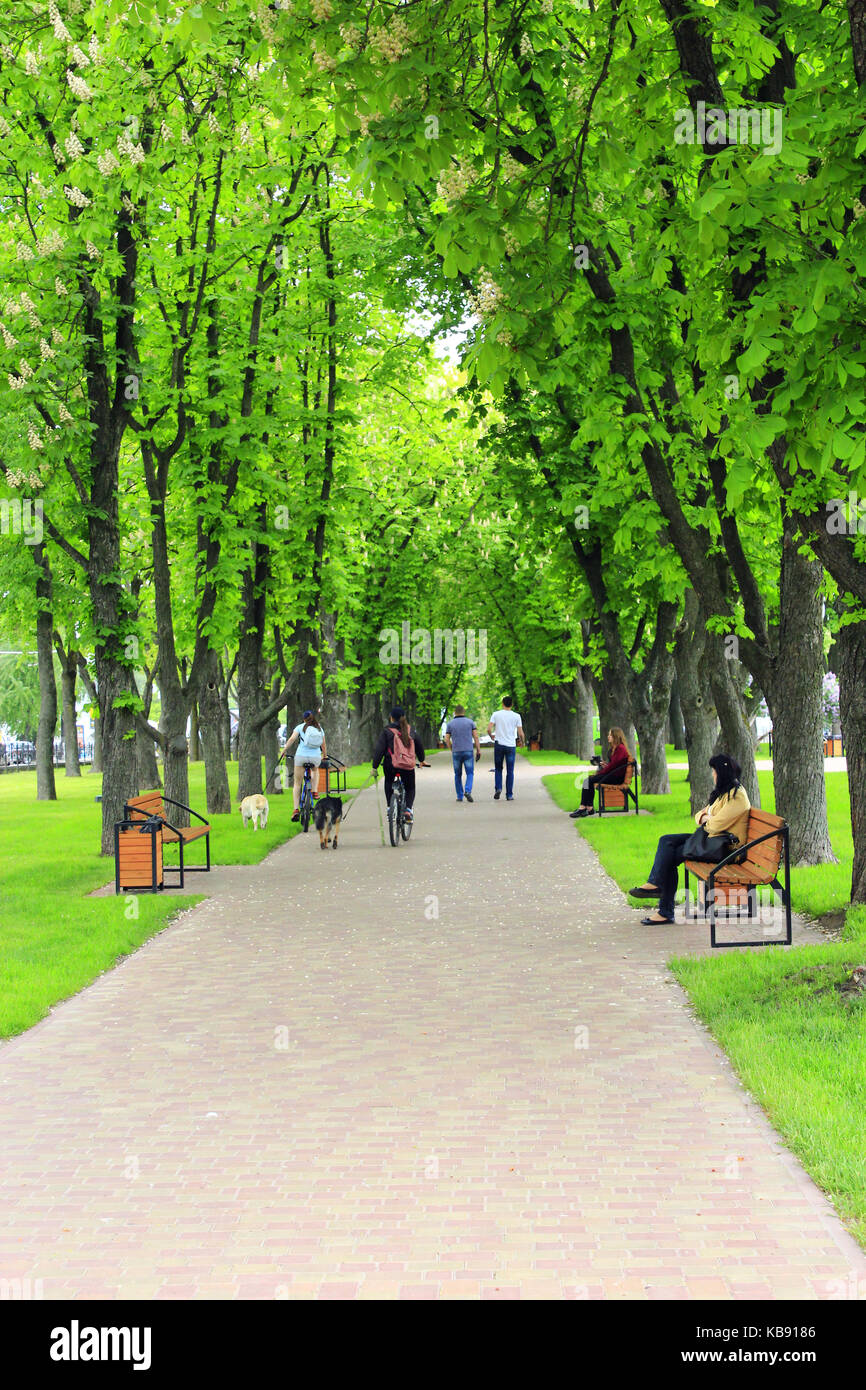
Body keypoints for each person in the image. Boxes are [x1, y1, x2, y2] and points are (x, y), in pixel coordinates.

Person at [630, 753, 751, 925]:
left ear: (722, 773)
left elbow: (715, 825)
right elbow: (699, 815)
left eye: (714, 771)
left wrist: (707, 819)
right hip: (711, 841)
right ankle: (655, 886)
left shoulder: (737, 797)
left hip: (726, 850)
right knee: (666, 840)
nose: (712, 774)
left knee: (670, 856)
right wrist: (705, 818)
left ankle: (663, 906)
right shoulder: (725, 793)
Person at [372, 707, 428, 822]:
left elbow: (379, 750)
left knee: (388, 782)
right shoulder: (410, 730)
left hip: (390, 765)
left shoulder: (386, 731)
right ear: (404, 717)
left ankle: (389, 808)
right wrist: (421, 760)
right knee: (410, 787)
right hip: (407, 766)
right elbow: (419, 746)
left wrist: (375, 766)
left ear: (391, 718)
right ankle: (408, 810)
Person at [569, 727, 631, 818]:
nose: (608, 736)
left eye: (610, 735)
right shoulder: (617, 748)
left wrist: (599, 773)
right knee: (589, 780)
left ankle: (583, 808)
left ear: (616, 736)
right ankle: (589, 808)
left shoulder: (620, 749)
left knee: (588, 780)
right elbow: (614, 765)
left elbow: (613, 767)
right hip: (613, 775)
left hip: (616, 778)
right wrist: (605, 766)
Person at [279, 710, 327, 822]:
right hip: (315, 757)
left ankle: (295, 809)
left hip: (301, 757)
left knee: (297, 783)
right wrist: (324, 756)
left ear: (304, 719)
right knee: (315, 771)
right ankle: (314, 791)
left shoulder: (300, 727)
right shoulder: (319, 728)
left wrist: (284, 750)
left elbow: (291, 739)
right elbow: (323, 743)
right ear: (313, 717)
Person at [487, 695, 524, 801]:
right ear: (511, 704)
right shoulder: (517, 716)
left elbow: (489, 729)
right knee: (510, 771)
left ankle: (498, 788)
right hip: (511, 746)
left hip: (499, 744)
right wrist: (522, 742)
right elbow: (520, 733)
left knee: (498, 769)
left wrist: (491, 736)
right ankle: (509, 795)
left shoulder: (496, 714)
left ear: (502, 704)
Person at [445, 704, 482, 803]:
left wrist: (451, 749)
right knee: (470, 773)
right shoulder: (470, 722)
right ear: (463, 712)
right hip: (468, 751)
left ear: (455, 712)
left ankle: (459, 796)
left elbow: (447, 739)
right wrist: (478, 750)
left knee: (457, 774)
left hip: (456, 751)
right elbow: (476, 737)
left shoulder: (450, 724)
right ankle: (468, 790)